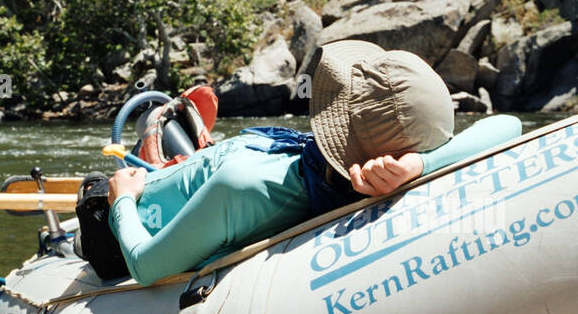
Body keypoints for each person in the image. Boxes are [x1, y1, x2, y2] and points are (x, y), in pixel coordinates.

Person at [103, 39, 521, 286]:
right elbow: (510, 125)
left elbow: (146, 267)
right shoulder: (346, 172)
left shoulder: (245, 186)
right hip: (233, 174)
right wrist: (419, 165)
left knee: (128, 162)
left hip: (125, 219)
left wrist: (122, 198)